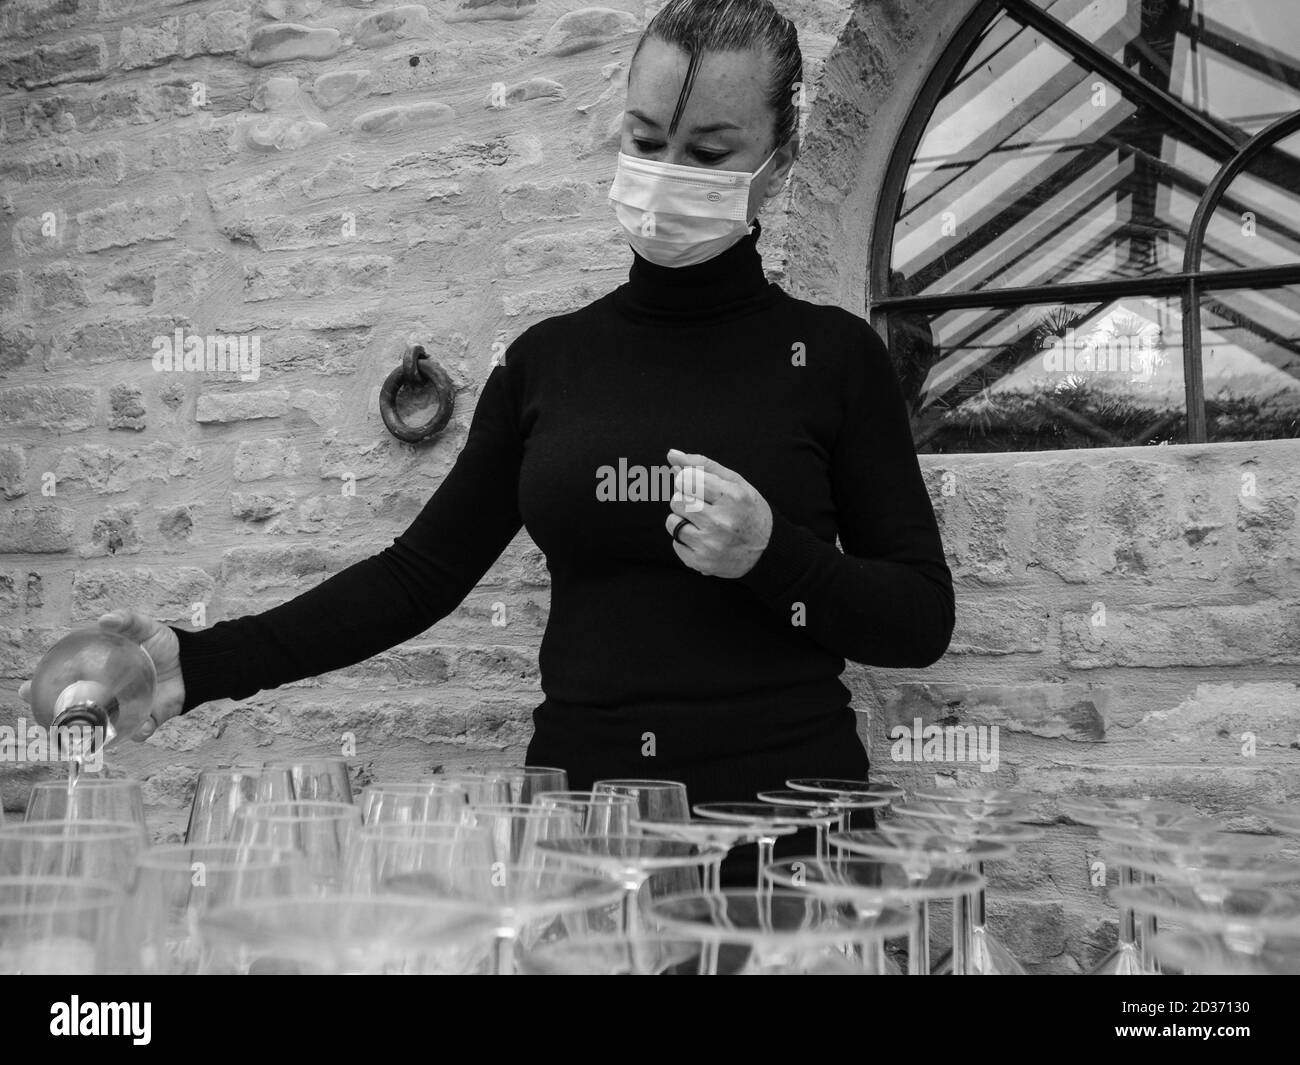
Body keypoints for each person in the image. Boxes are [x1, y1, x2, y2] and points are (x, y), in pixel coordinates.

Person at [22, 0, 954, 884]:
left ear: (778, 165)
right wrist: (202, 660)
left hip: (792, 836)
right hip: (582, 832)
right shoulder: (551, 362)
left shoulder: (832, 358)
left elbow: (918, 617)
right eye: (646, 141)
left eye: (710, 152)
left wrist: (774, 556)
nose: (668, 172)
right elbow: (415, 578)